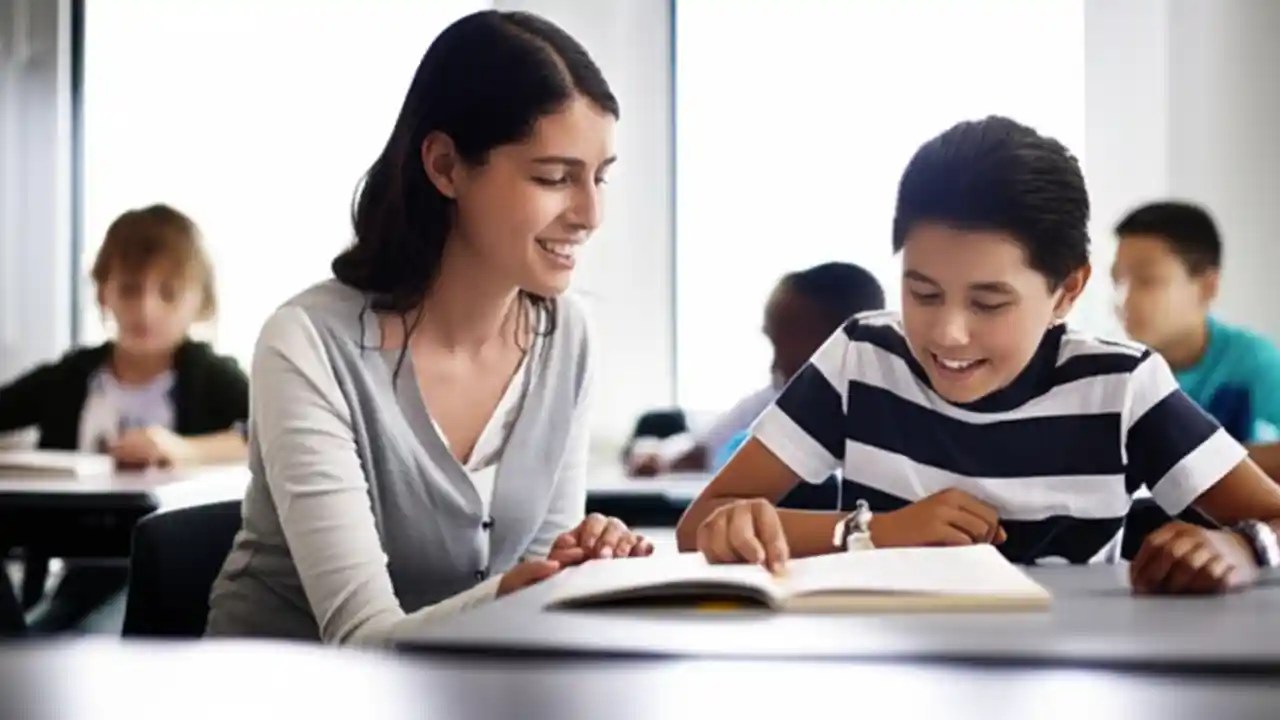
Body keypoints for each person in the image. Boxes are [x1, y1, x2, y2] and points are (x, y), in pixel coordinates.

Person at [676, 116, 1280, 595]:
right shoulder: (860, 359)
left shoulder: (1121, 387)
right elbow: (704, 520)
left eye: (990, 303)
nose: (948, 333)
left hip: (1075, 680)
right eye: (922, 292)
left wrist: (1239, 546)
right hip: (882, 672)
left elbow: (1270, 516)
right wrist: (878, 532)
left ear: (1067, 290)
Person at [206, 10, 651, 646]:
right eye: (554, 178)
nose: (590, 213)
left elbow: (544, 573)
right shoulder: (306, 345)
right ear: (445, 166)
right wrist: (514, 592)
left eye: (600, 176)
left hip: (461, 694)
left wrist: (578, 564)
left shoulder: (567, 337)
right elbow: (359, 638)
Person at [0, 203, 248, 630]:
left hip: (175, 570)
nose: (146, 309)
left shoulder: (214, 376)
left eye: (168, 292)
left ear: (200, 302)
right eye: (131, 289)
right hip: (78, 568)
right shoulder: (72, 375)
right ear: (103, 291)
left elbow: (266, 434)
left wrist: (183, 449)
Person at [627, 262, 885, 476]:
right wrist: (656, 456)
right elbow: (701, 453)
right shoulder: (774, 401)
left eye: (785, 344)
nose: (775, 365)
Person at [1113, 201, 1280, 479]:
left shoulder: (1255, 363)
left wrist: (1193, 461)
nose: (1123, 299)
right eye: (1117, 280)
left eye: (1147, 280)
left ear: (1207, 286)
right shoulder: (1115, 369)